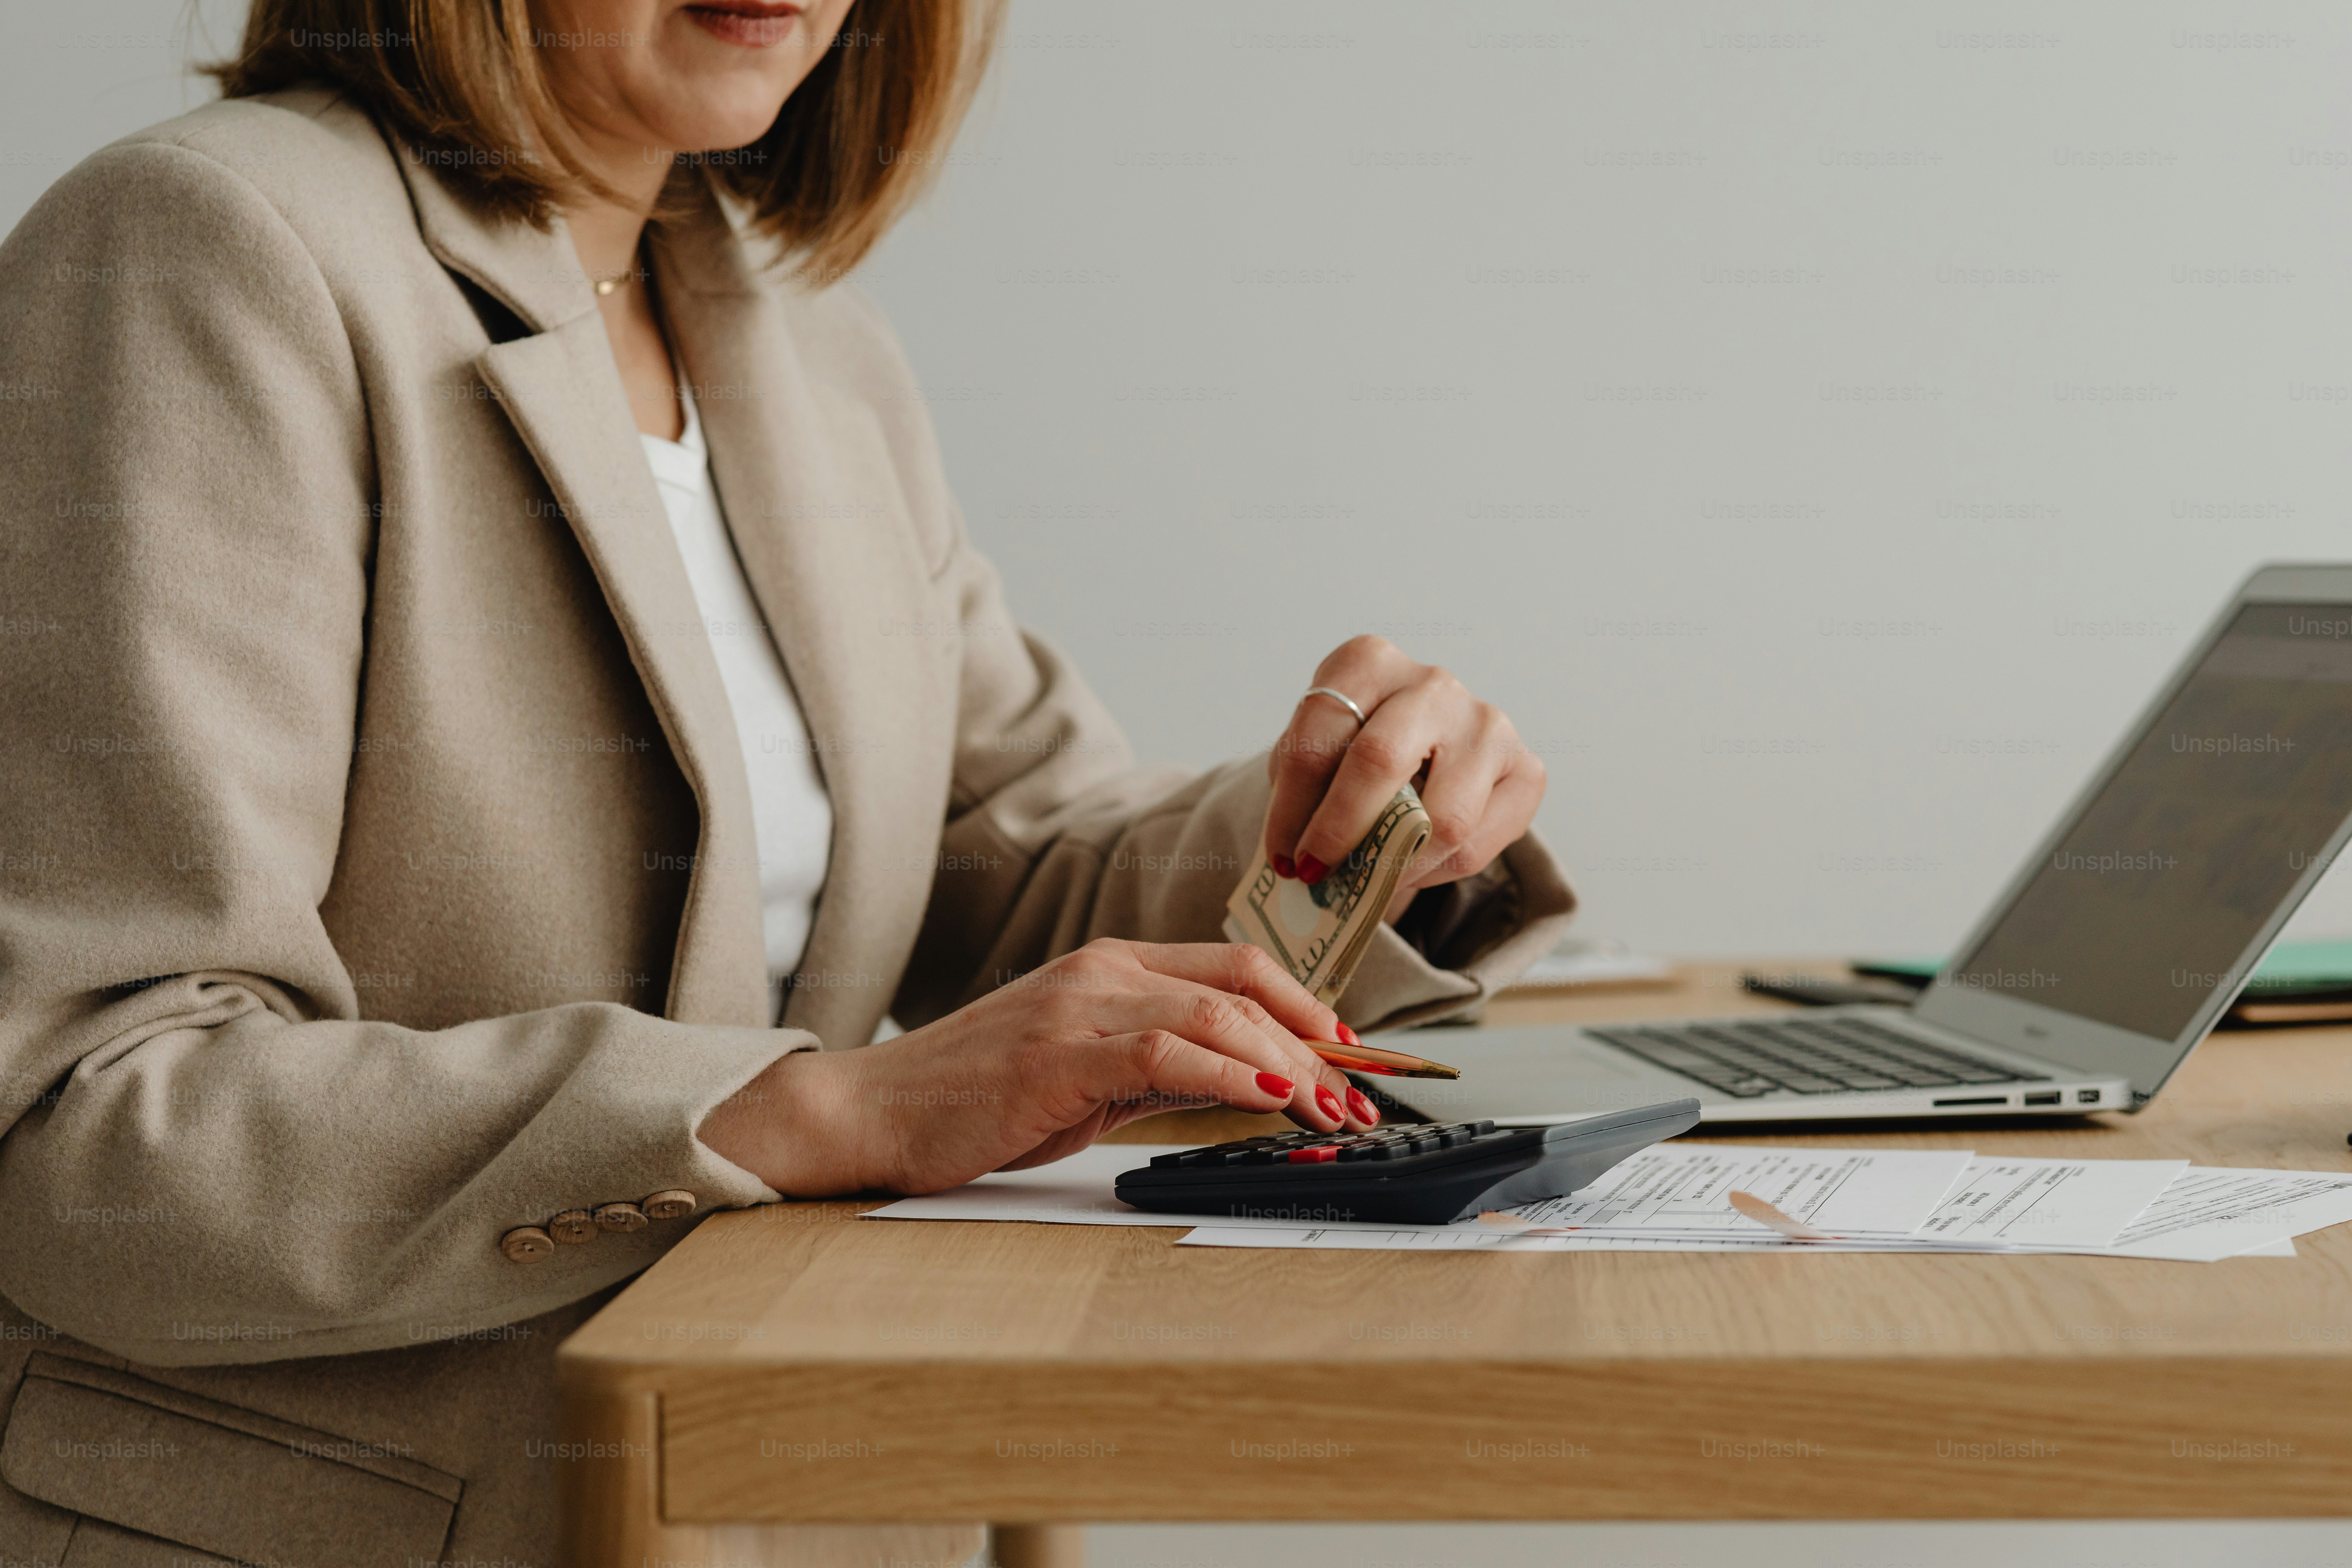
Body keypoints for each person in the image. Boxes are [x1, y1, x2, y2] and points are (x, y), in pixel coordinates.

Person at [0, 2, 1570, 1562]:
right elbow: (84, 1118)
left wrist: (1364, 828)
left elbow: (1004, 864)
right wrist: (823, 1104)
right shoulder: (204, 244)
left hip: (794, 1497)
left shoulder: (801, 339)